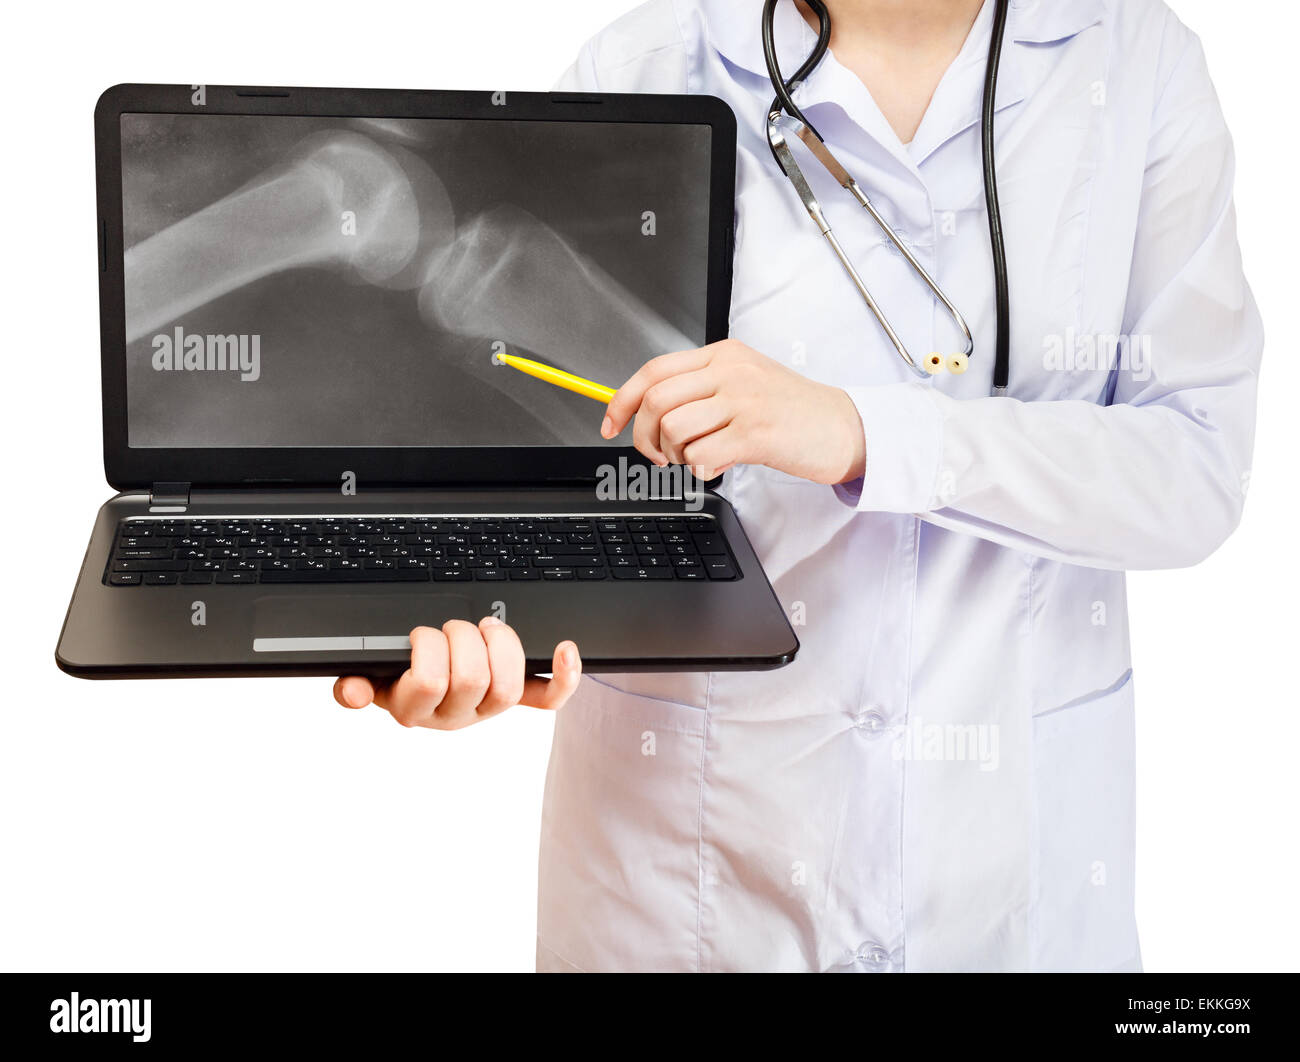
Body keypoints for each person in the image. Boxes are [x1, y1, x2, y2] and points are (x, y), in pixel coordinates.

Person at [333, 0, 1263, 972]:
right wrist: (482, 633)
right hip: (681, 904)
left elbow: (1195, 468)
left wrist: (862, 432)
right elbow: (565, 473)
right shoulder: (648, 63)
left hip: (1013, 907)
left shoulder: (1136, 64)